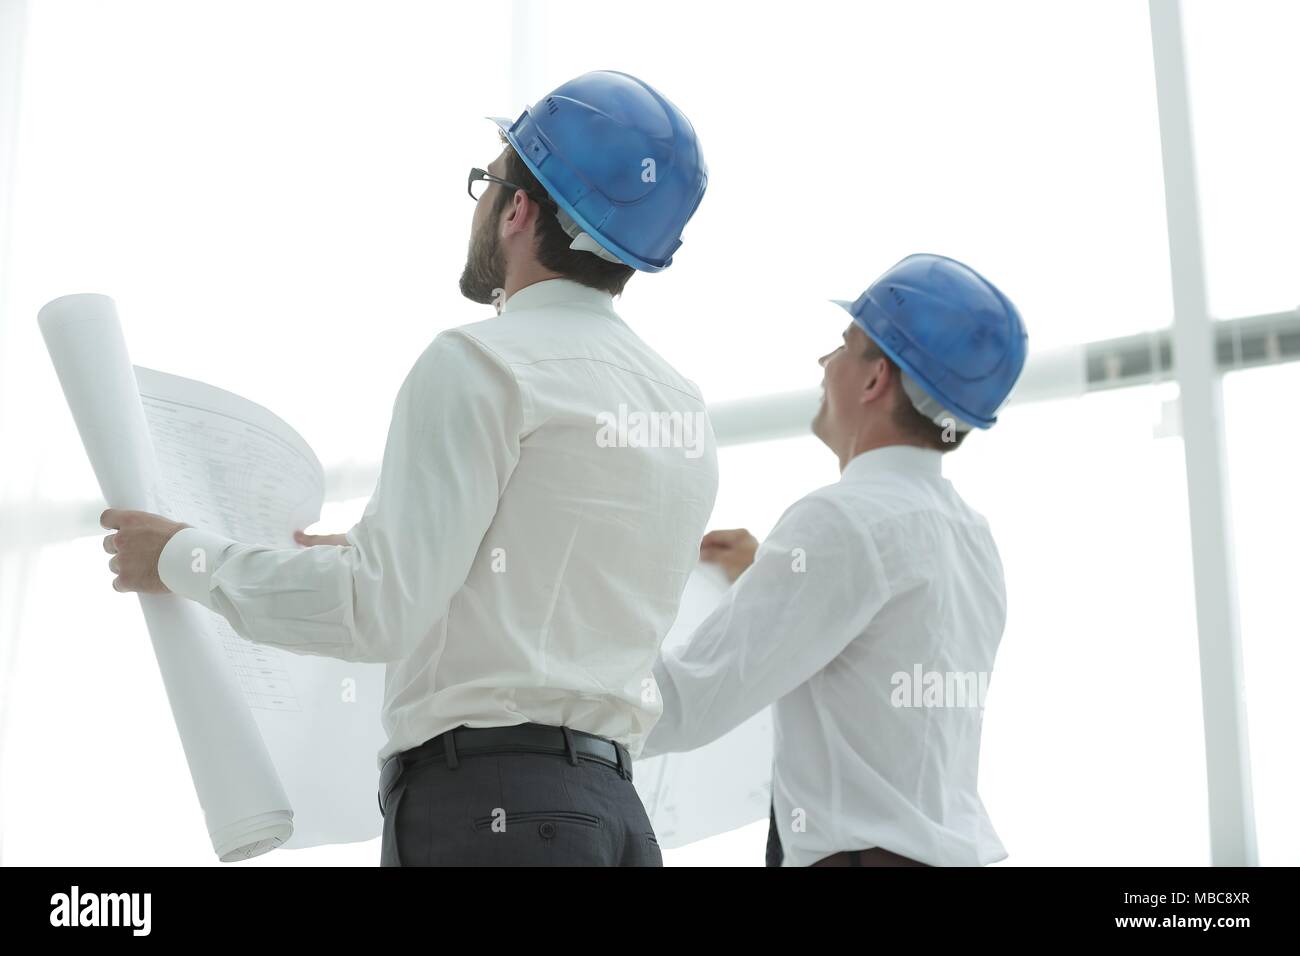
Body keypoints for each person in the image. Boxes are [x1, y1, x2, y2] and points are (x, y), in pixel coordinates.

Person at [101, 70, 716, 867]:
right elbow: (543, 571)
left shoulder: (480, 363)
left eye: (488, 183)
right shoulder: (679, 408)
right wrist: (383, 544)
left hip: (490, 813)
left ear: (519, 209)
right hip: (617, 818)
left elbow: (376, 611)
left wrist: (182, 557)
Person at [642, 253, 1028, 866]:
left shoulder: (839, 521)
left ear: (876, 379)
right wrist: (769, 575)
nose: (825, 363)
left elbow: (689, 700)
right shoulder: (970, 537)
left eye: (844, 344)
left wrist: (543, 703)